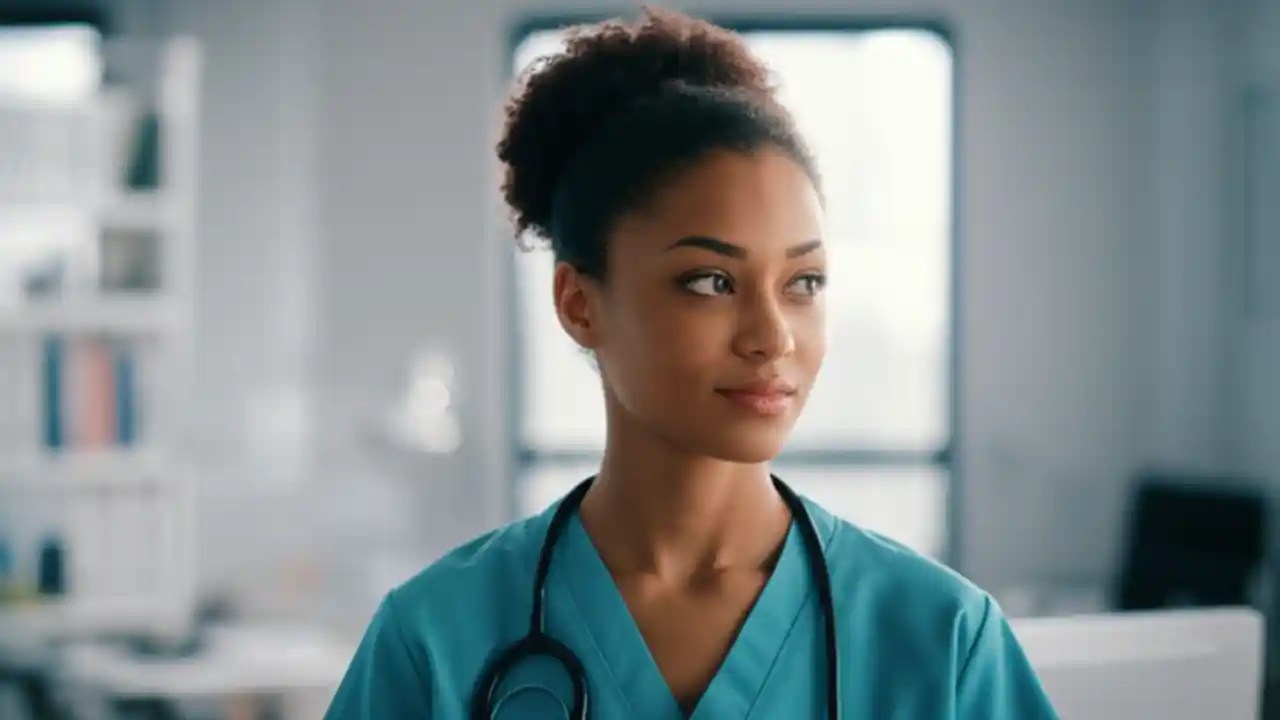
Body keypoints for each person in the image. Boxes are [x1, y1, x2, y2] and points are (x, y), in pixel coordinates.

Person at [325, 7, 1057, 719]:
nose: (772, 337)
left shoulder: (942, 642)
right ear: (579, 303)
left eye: (803, 284)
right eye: (711, 281)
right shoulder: (434, 645)